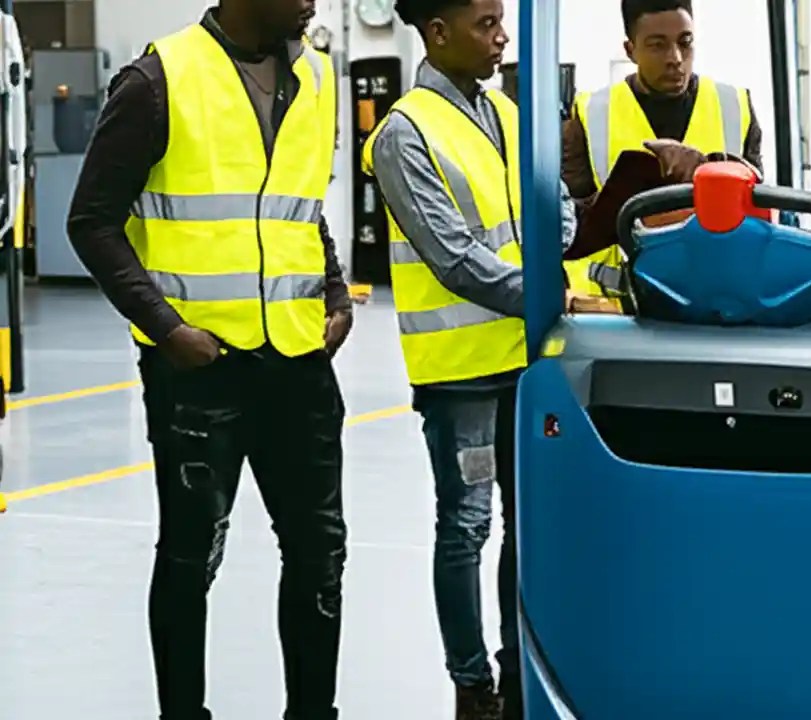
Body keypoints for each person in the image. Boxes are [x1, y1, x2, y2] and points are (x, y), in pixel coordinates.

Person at [66, 1, 351, 718]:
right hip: (199, 370)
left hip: (299, 359)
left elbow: (301, 206)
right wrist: (165, 329)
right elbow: (92, 220)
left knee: (320, 557)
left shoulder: (317, 74)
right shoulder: (159, 79)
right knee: (193, 559)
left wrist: (337, 295)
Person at [365, 1, 578, 718]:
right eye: (487, 23)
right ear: (437, 32)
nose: (502, 36)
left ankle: (521, 672)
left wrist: (555, 249)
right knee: (465, 526)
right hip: (461, 371)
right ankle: (471, 687)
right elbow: (452, 257)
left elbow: (561, 210)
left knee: (534, 523)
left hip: (528, 360)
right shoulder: (404, 133)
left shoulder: (510, 114)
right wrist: (546, 293)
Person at [561, 0, 764, 303]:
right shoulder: (590, 114)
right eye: (657, 46)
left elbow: (760, 213)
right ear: (630, 51)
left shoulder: (735, 106)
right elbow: (570, 228)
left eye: (686, 43)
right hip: (618, 308)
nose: (676, 58)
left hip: (718, 300)